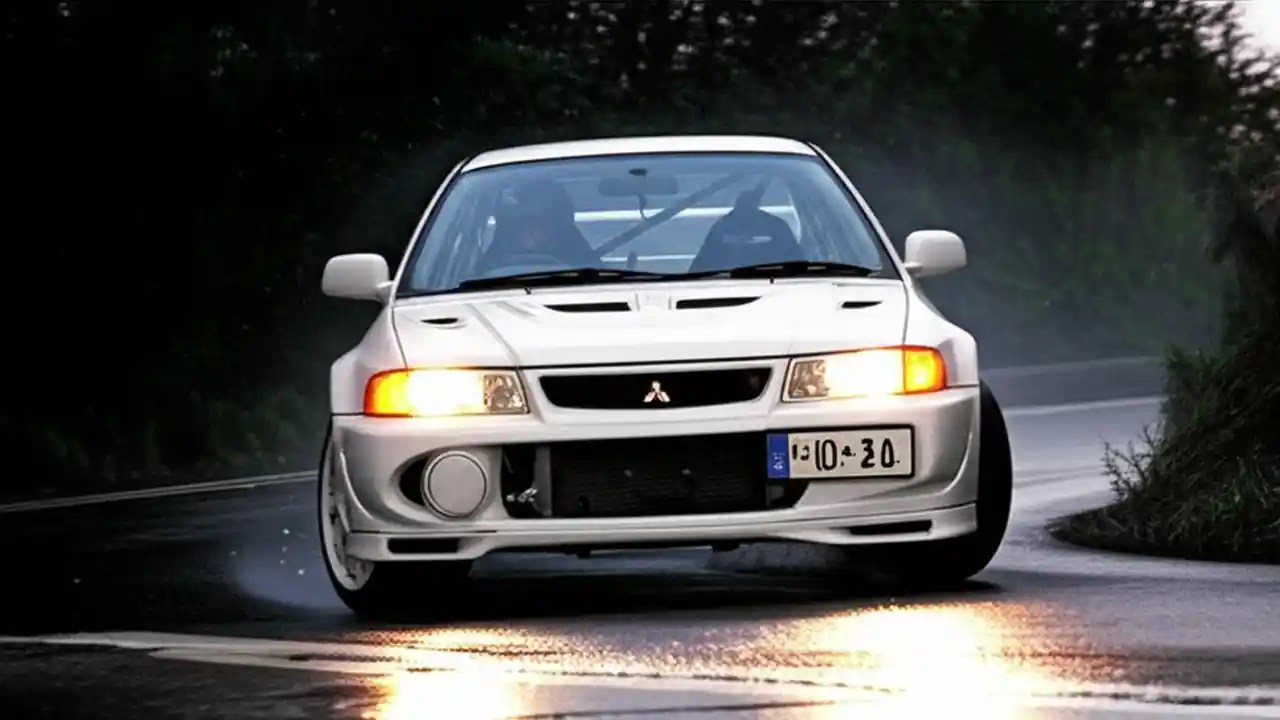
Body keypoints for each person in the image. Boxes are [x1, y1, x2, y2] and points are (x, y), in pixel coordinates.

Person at [475, 179, 598, 273]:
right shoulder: (494, 257)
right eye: (523, 221)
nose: (530, 230)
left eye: (540, 222)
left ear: (557, 226)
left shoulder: (580, 257)